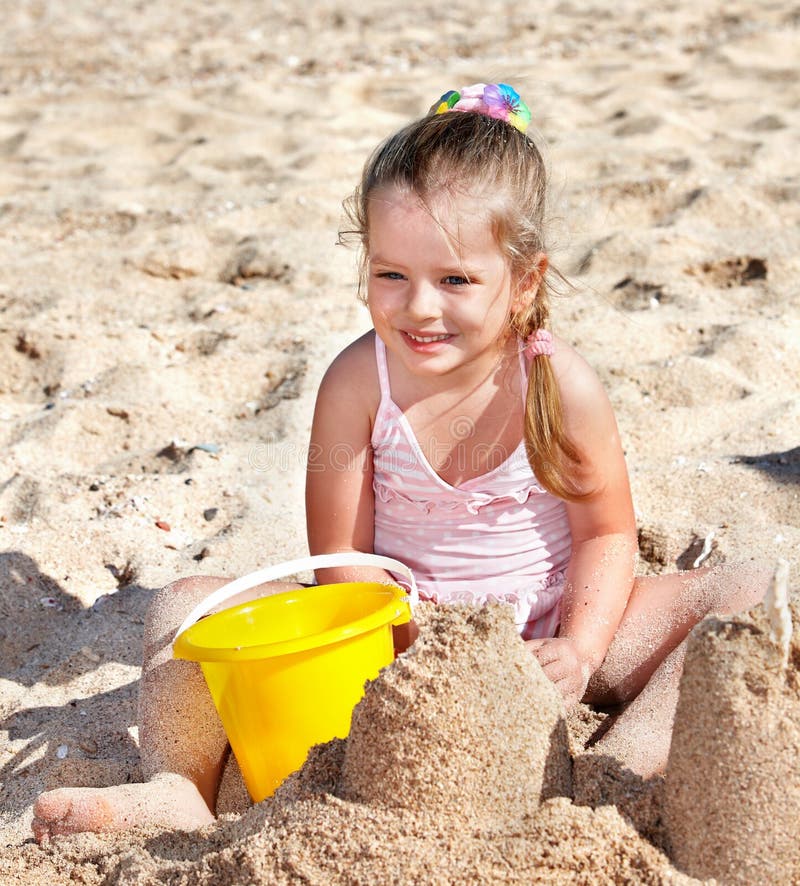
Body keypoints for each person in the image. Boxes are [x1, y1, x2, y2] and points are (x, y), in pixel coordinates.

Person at [31, 83, 768, 841]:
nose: (418, 308)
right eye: (391, 275)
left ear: (524, 283)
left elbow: (607, 536)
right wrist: (410, 643)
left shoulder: (559, 383)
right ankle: (179, 786)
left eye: (454, 280)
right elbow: (340, 556)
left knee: (747, 590)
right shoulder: (356, 383)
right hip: (393, 635)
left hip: (547, 621)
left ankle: (619, 764)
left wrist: (578, 652)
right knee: (183, 605)